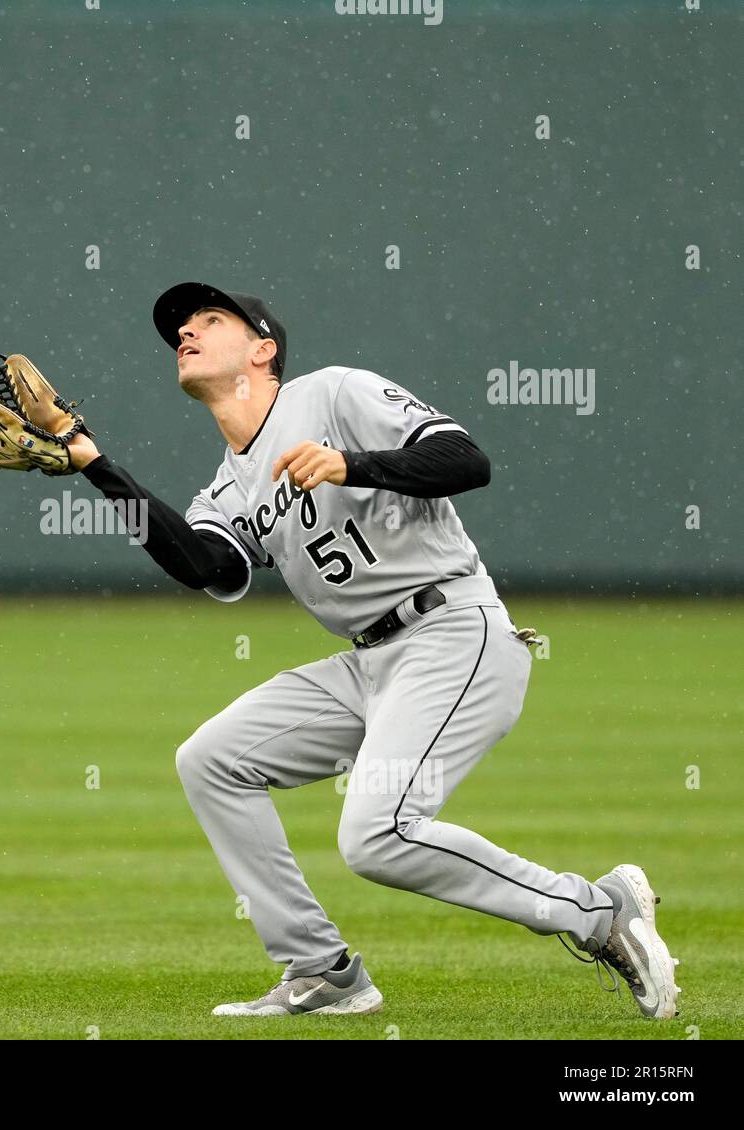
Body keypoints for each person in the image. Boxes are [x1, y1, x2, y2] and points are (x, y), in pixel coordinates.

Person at [63, 281, 680, 1019]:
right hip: (370, 664)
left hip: (454, 630)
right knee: (211, 759)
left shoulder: (332, 395)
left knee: (376, 836)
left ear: (264, 350)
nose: (186, 334)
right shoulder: (225, 488)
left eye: (209, 319)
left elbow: (465, 460)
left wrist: (352, 463)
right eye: (179, 330)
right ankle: (321, 970)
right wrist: (89, 461)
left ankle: (598, 912)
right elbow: (204, 565)